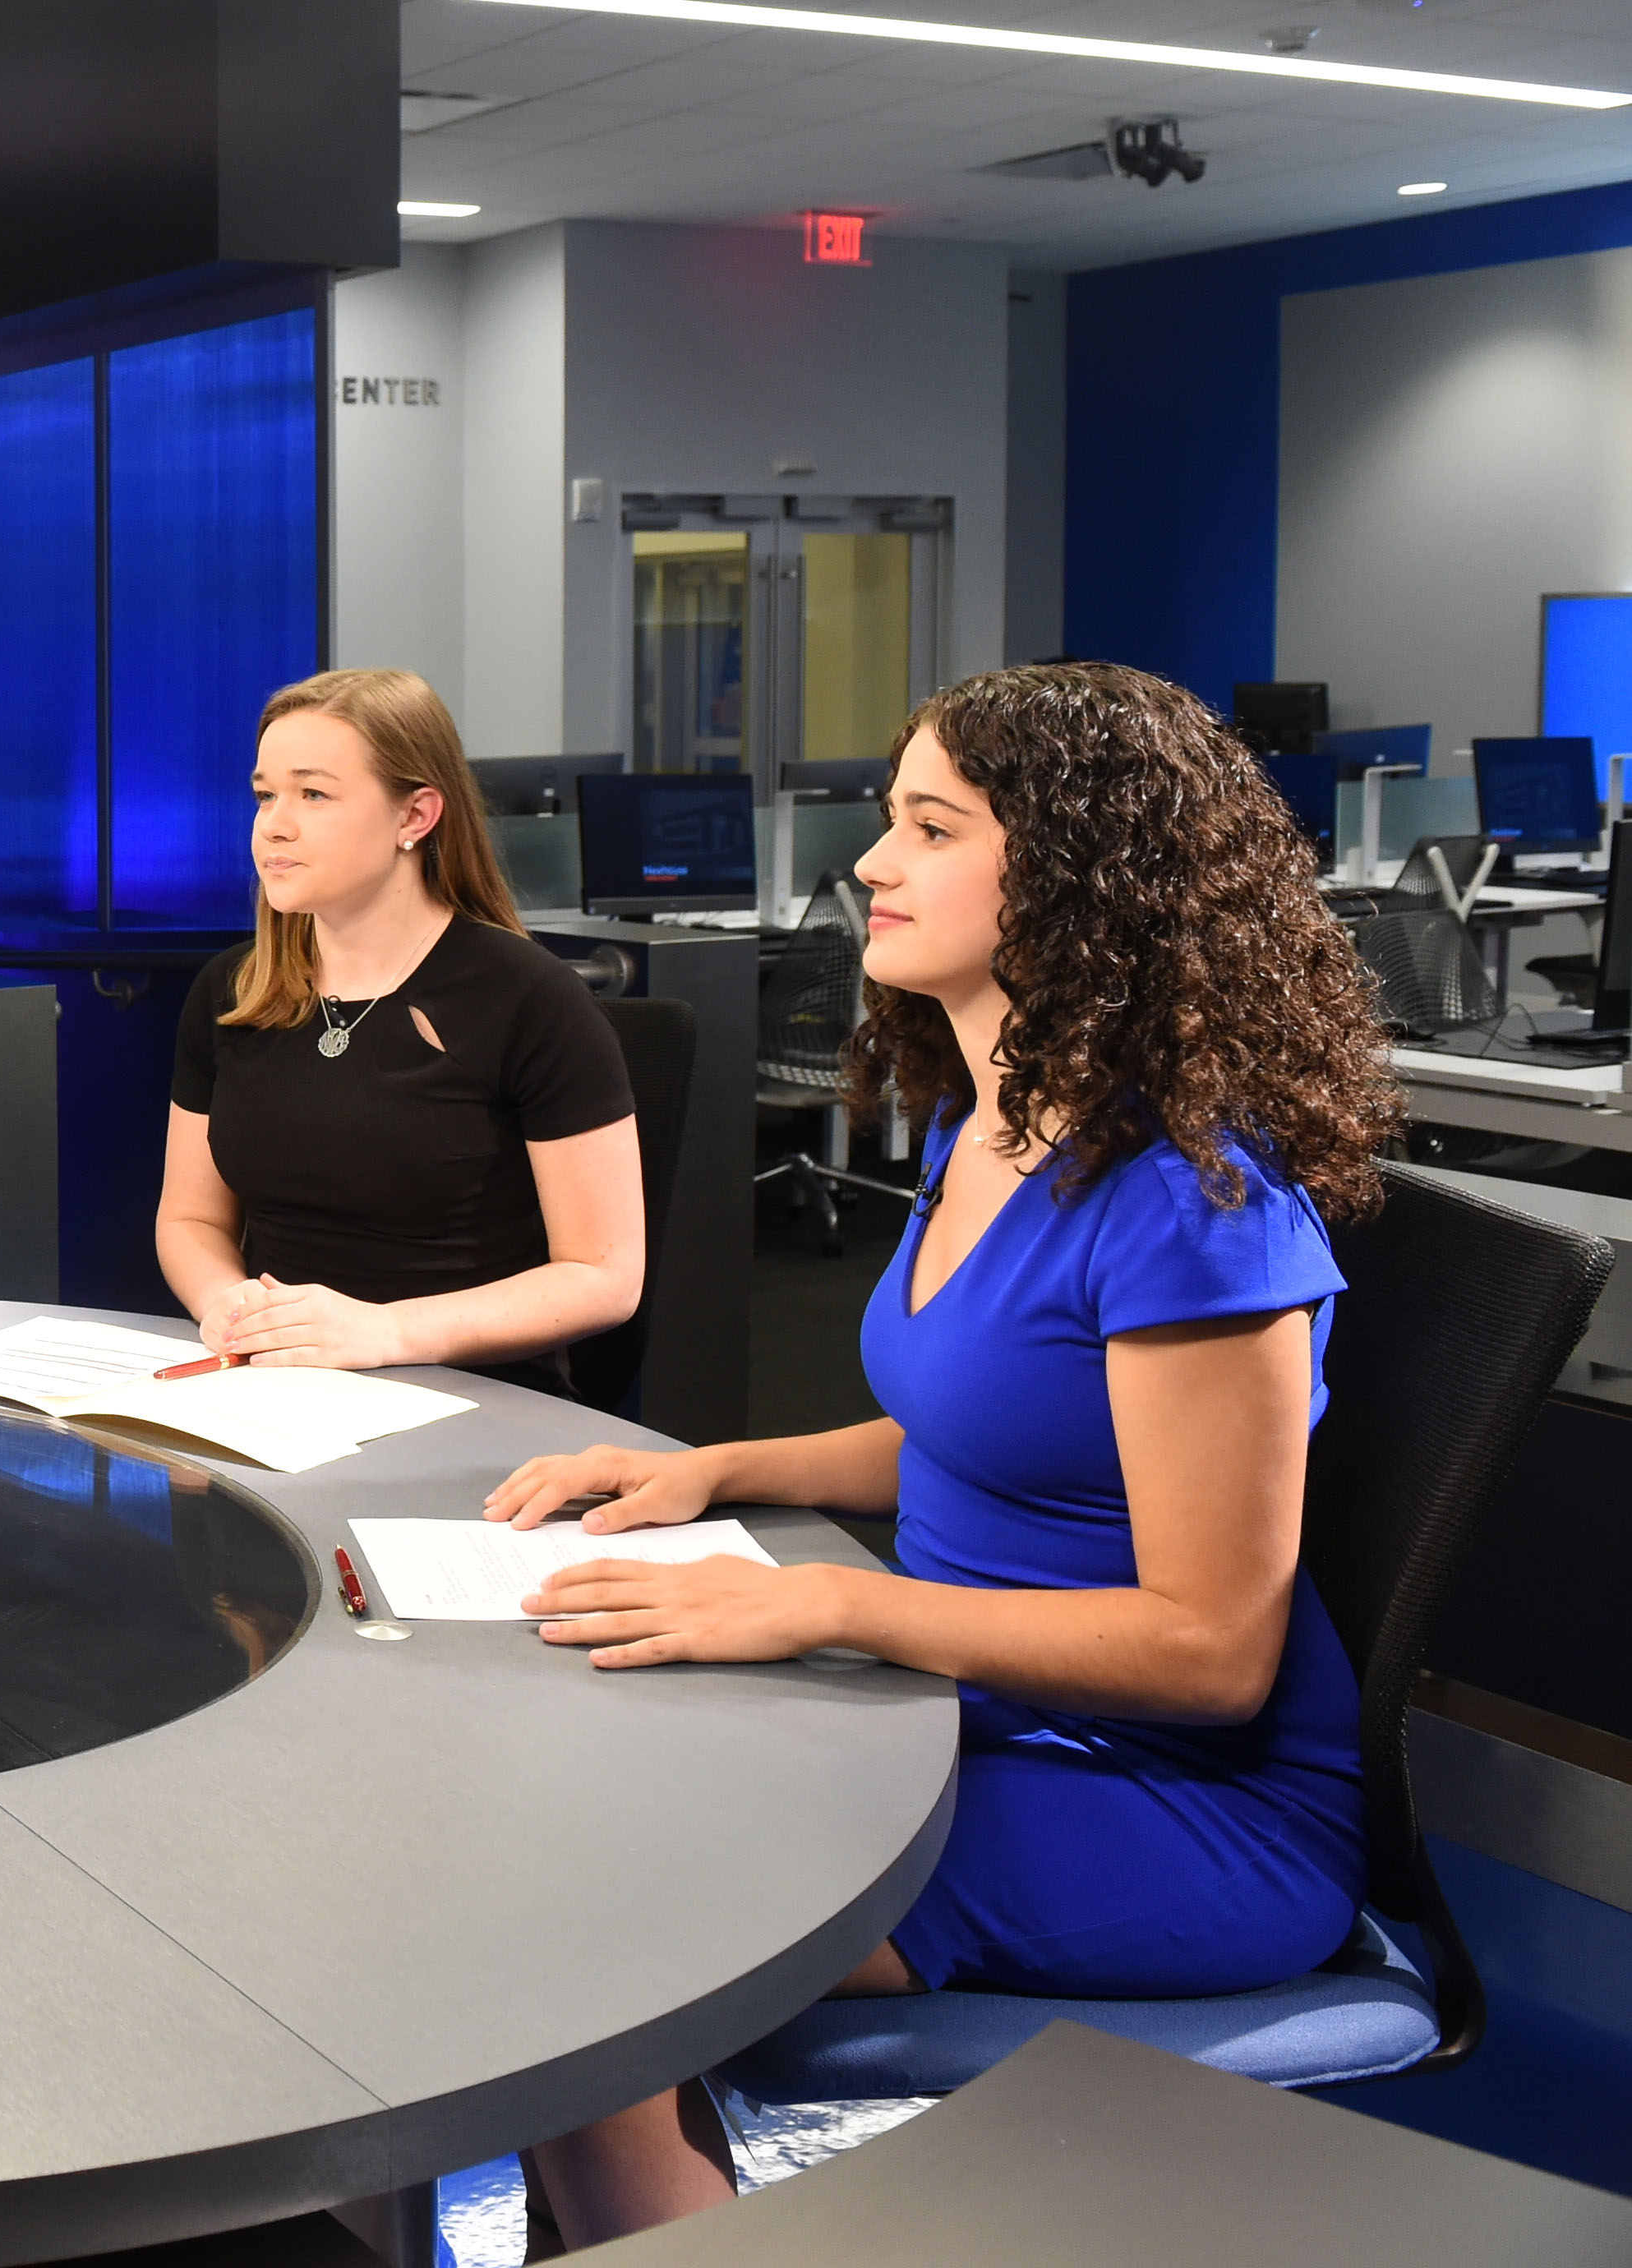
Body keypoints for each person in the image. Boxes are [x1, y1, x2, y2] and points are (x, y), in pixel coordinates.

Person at [479, 662, 1402, 2247]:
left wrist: (826, 1610)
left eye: (928, 827)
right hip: (964, 1725)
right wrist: (724, 1470)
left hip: (1173, 1799)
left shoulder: (1190, 1203)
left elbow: (1208, 1653)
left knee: (576, 1961)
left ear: (1071, 874)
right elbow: (980, 1440)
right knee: (527, 1826)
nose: (868, 865)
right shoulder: (976, 1127)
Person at [157, 667, 645, 1395]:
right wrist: (223, 1304)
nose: (273, 824)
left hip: (466, 1395)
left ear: (414, 817)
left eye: (313, 794)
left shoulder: (528, 998)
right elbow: (189, 1218)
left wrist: (385, 1332)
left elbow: (603, 1277)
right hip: (278, 1387)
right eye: (264, 795)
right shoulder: (233, 990)